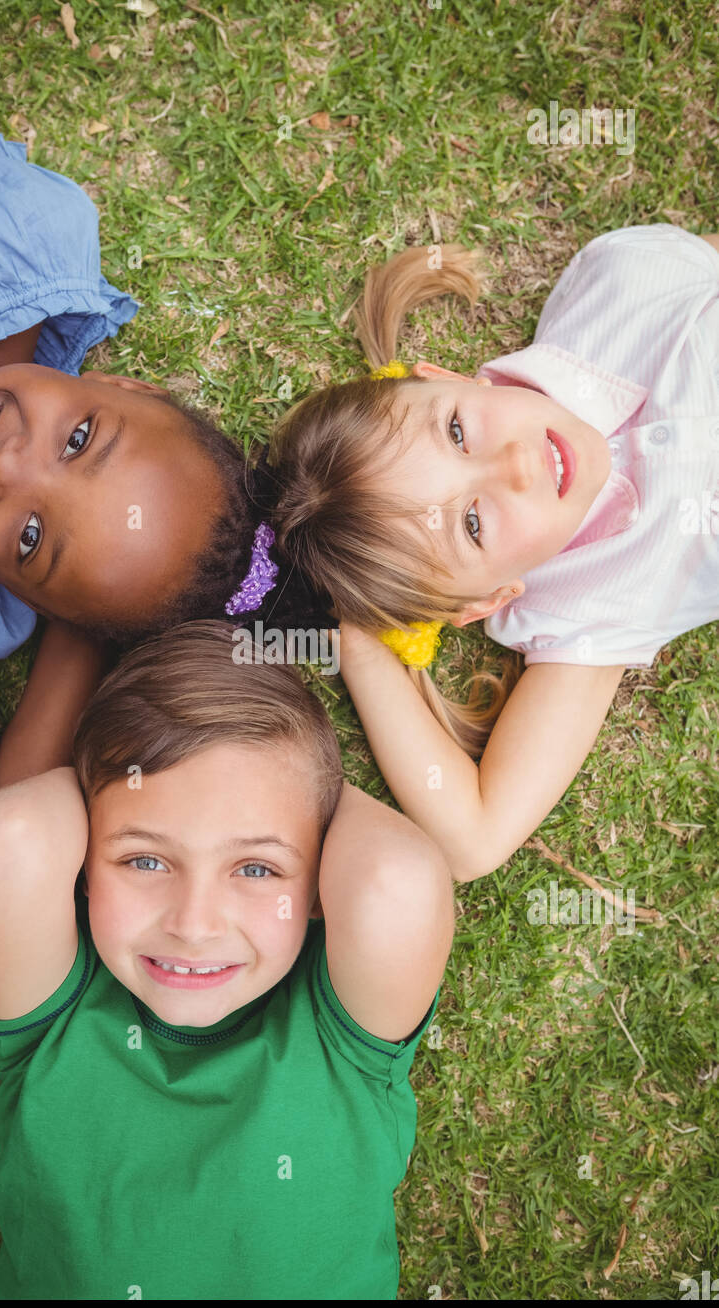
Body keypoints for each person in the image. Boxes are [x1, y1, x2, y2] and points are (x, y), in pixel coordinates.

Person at [0, 14, 263, 876]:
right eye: (81, 438)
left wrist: (95, 628)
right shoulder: (10, 251)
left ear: (11, 590)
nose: (7, 467)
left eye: (34, 541)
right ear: (122, 387)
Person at [0, 620, 454, 1300]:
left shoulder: (342, 1043)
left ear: (321, 881)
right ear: (83, 866)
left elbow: (398, 880)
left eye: (256, 868)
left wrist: (303, 784)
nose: (192, 923)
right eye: (145, 859)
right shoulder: (52, 1019)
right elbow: (5, 840)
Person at [267, 227, 719, 881]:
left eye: (456, 431)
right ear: (488, 600)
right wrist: (357, 643)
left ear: (448, 377)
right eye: (473, 525)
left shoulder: (621, 281)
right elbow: (474, 840)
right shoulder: (592, 604)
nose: (514, 464)